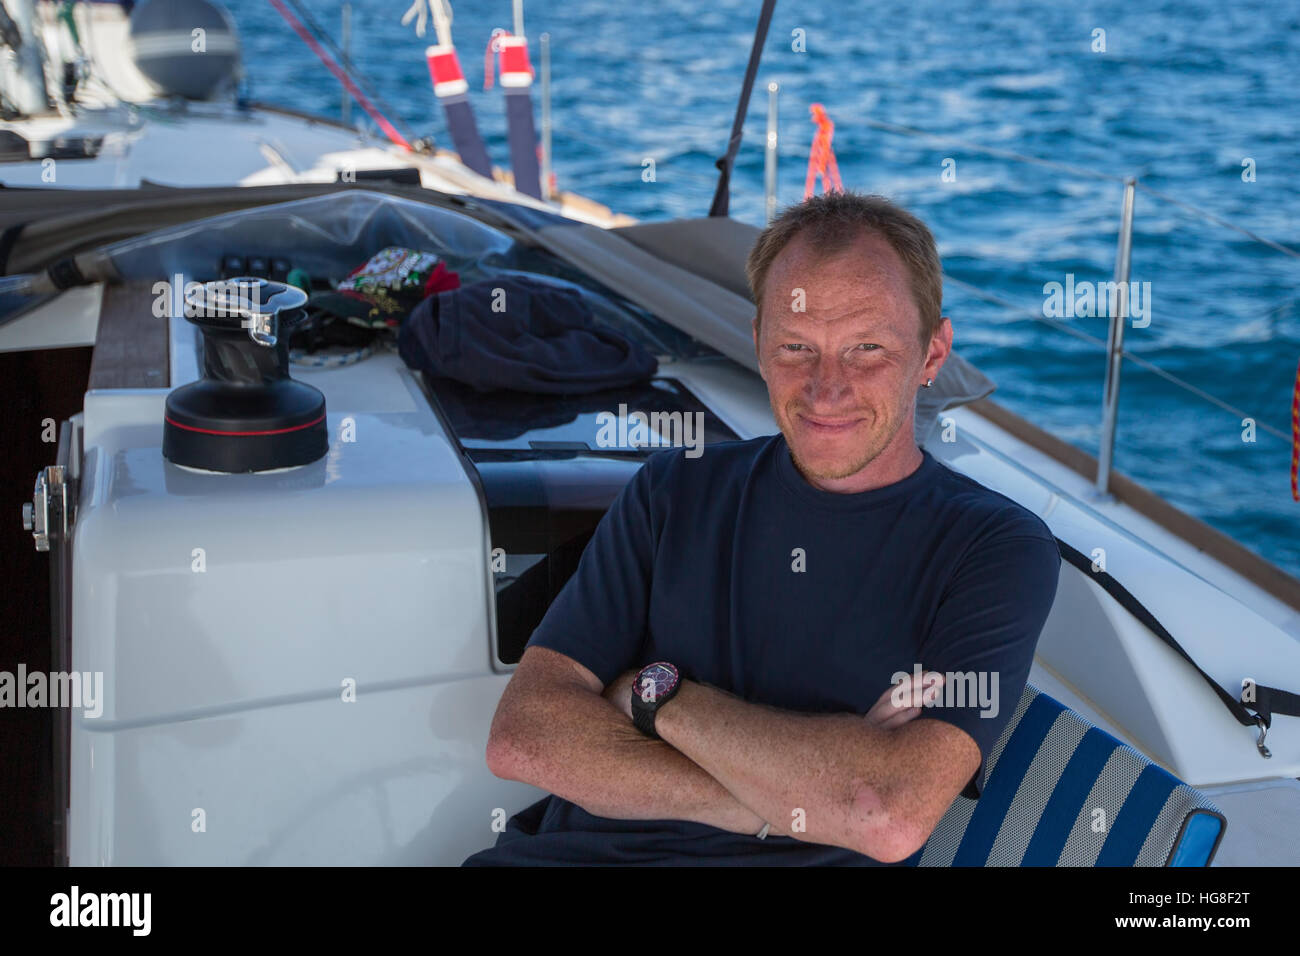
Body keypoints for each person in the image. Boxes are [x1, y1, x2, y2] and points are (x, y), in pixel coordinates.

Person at [462, 190, 1061, 866]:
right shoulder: (674, 489)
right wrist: (788, 802)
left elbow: (884, 814)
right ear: (757, 343)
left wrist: (656, 697)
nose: (826, 387)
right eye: (796, 346)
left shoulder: (994, 549)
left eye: (867, 348)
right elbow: (523, 736)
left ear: (931, 354)